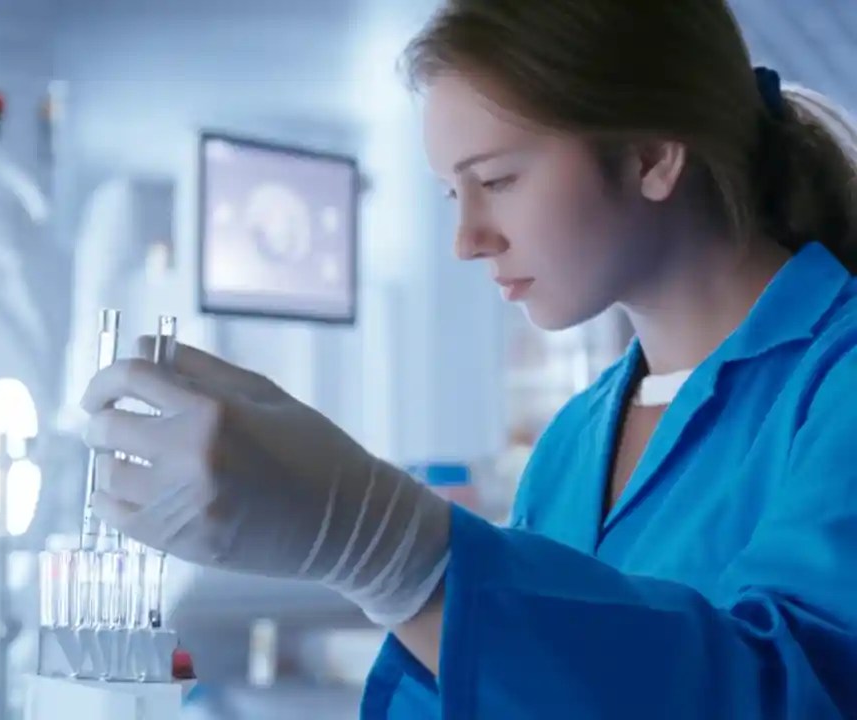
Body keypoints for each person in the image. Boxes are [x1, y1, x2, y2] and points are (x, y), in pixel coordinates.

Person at [80, 1, 857, 717]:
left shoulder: (837, 384)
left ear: (653, 154)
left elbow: (796, 693)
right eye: (455, 195)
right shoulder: (576, 440)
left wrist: (393, 550)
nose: (467, 239)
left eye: (498, 179)